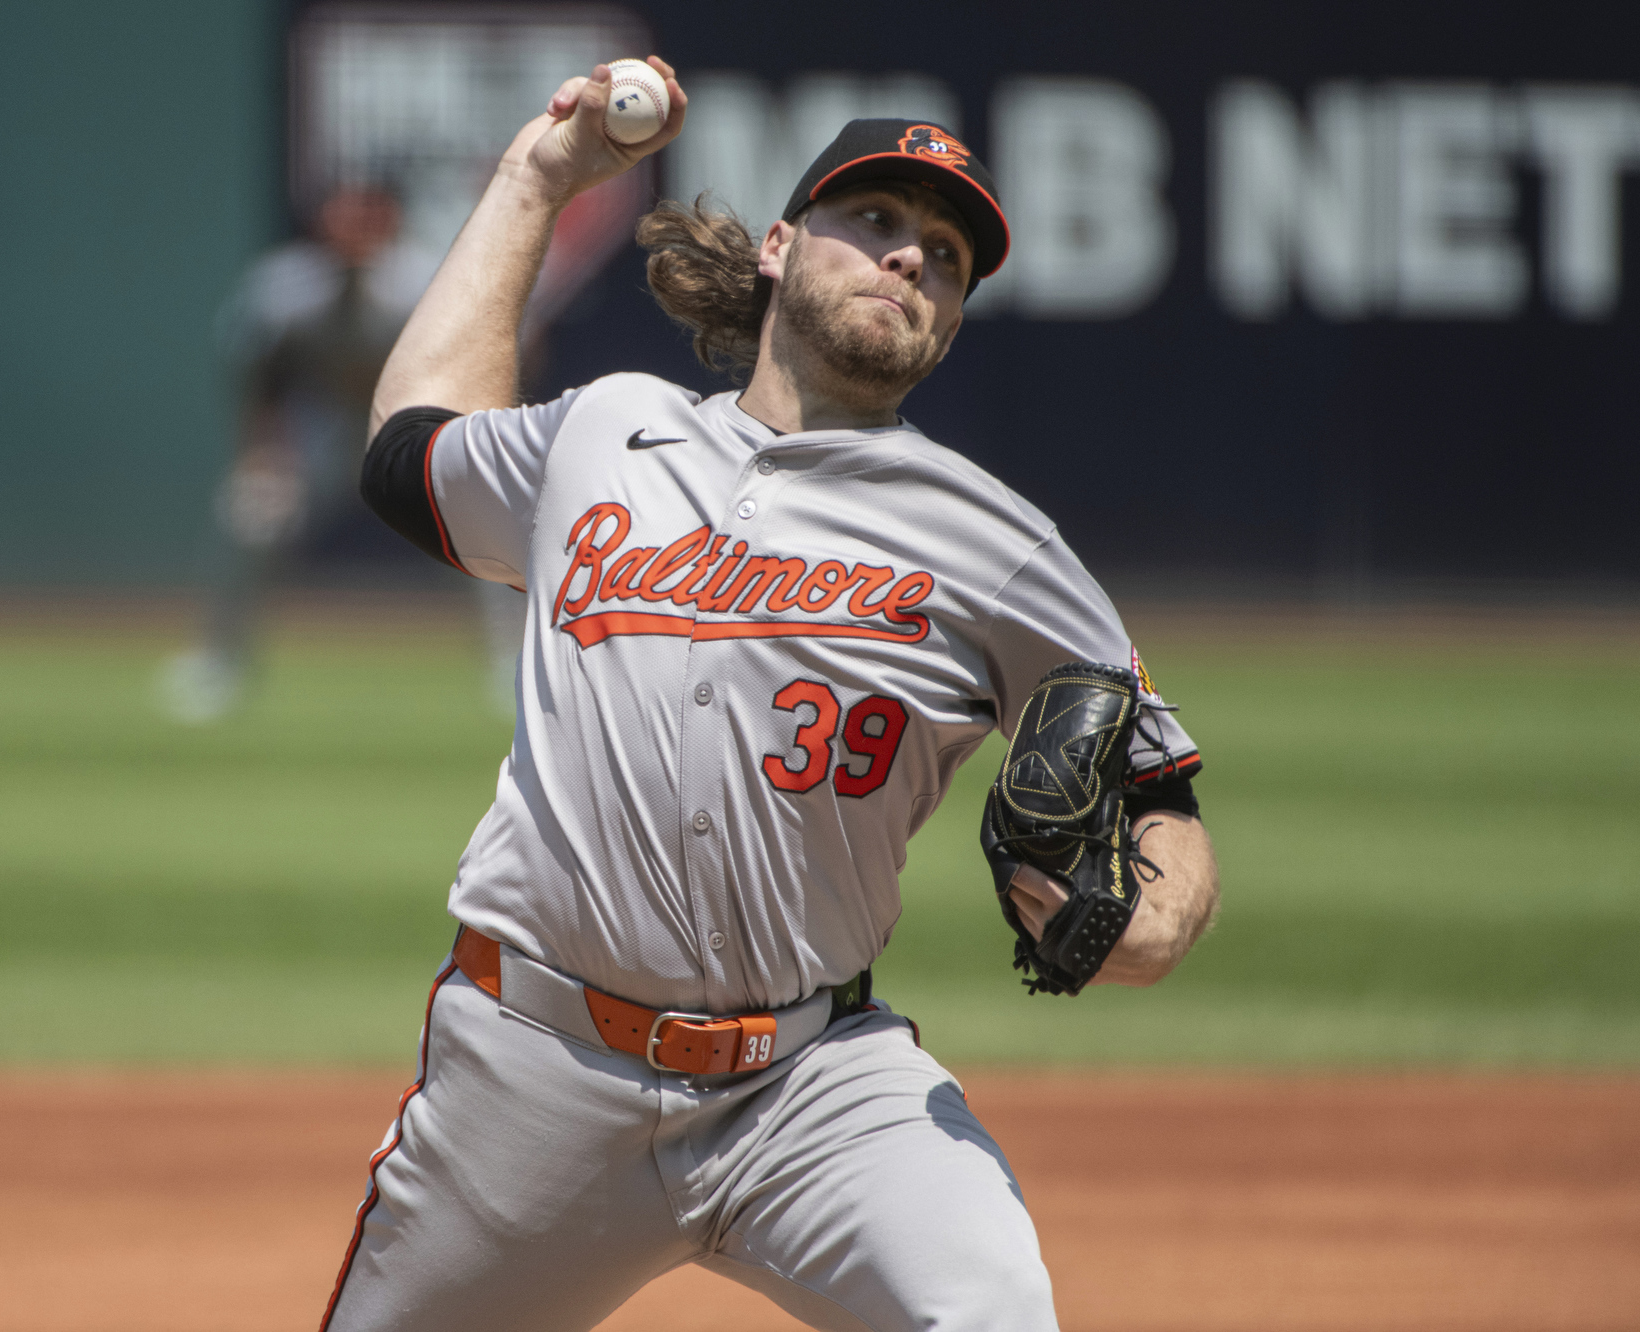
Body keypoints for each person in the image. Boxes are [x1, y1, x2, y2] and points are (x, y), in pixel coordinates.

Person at [327, 58, 1220, 1331]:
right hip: (530, 1078)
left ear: (951, 322)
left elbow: (1160, 797)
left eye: (945, 258)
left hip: (813, 1089)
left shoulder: (999, 541)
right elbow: (406, 446)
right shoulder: (605, 431)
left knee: (988, 1310)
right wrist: (537, 178)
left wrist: (1158, 918)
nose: (909, 259)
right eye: (876, 222)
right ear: (780, 247)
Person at [161, 183, 437, 722]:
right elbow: (259, 378)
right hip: (327, 426)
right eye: (343, 213)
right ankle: (219, 663)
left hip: (414, 422)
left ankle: (517, 661)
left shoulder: (425, 280)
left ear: (392, 221)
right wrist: (263, 453)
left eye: (369, 213)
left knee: (490, 531)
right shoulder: (285, 285)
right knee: (250, 518)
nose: (355, 226)